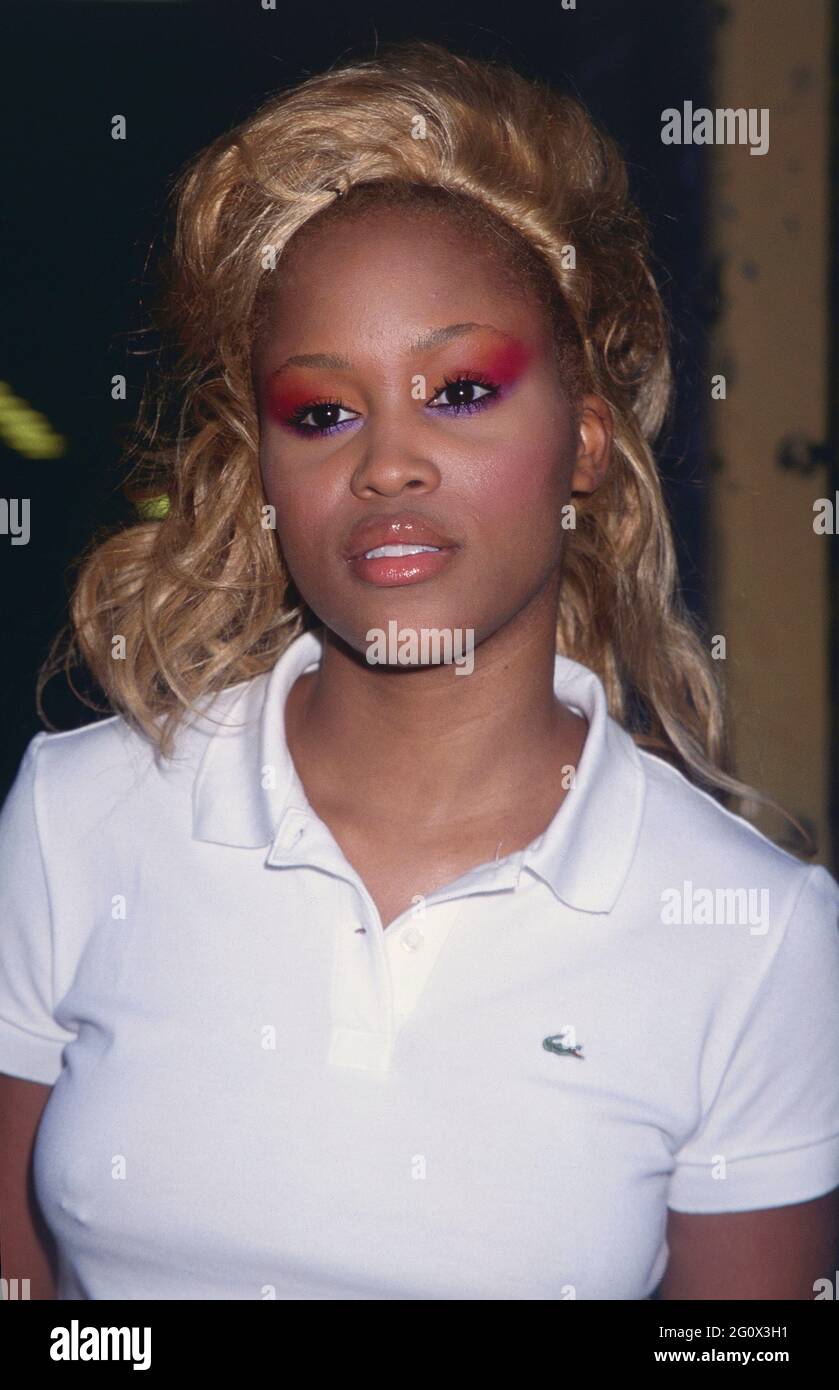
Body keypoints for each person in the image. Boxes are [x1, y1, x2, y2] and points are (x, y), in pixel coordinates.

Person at [1, 40, 838, 1302]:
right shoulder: (76, 819)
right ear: (267, 473)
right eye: (323, 412)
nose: (386, 463)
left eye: (456, 390)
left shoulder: (759, 935)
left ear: (583, 443)